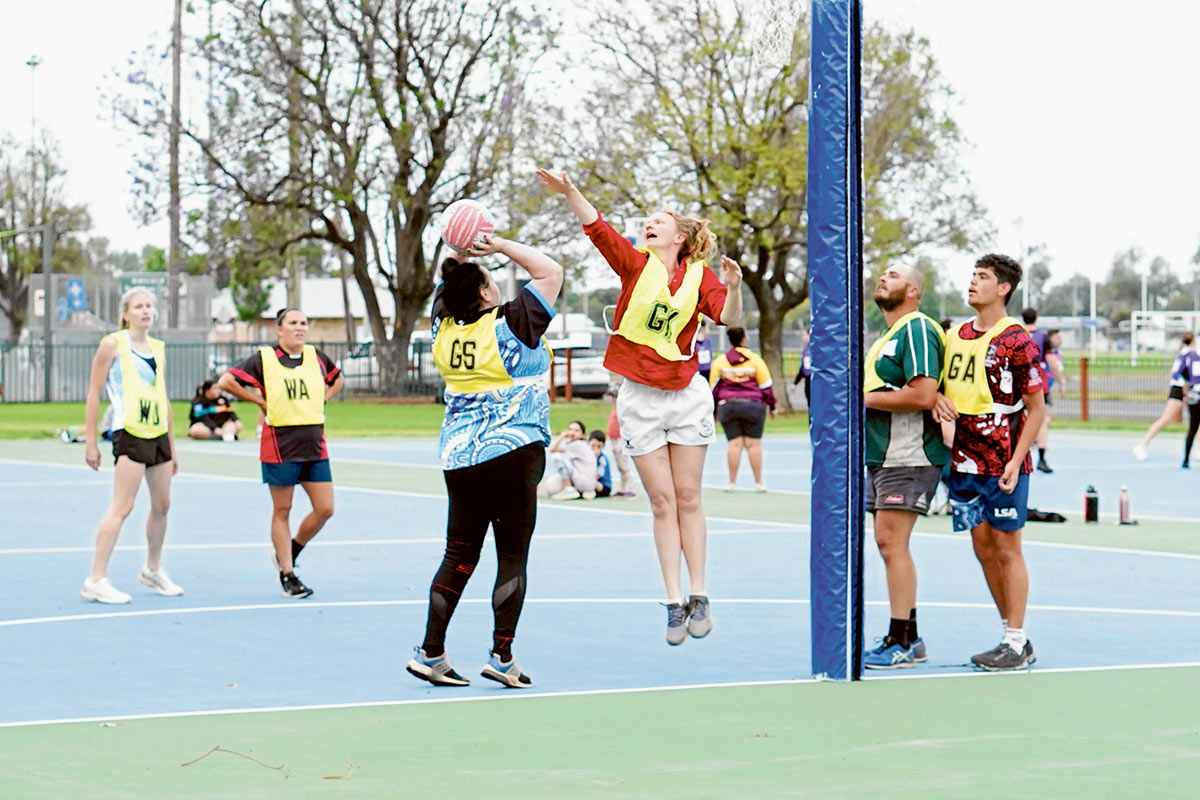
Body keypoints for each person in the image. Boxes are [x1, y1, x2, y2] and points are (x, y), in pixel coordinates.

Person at [537, 168, 743, 646]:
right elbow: (598, 228)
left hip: (686, 395)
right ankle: (673, 601)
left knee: (689, 498)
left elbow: (726, 315)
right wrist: (570, 190)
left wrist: (733, 288)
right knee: (662, 501)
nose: (648, 226)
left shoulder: (701, 277)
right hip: (639, 398)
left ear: (682, 236)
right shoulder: (634, 263)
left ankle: (699, 592)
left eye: (658, 221)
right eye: (646, 221)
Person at [406, 233, 563, 689]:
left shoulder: (443, 326)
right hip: (514, 452)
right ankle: (502, 655)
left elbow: (447, 282)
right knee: (512, 556)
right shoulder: (513, 323)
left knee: (458, 555)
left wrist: (457, 247)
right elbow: (549, 270)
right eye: (491, 281)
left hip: (461, 456)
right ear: (483, 293)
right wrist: (495, 244)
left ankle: (430, 651)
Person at [933, 254, 1044, 671]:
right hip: (962, 459)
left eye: (982, 277)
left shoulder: (1016, 340)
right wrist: (937, 399)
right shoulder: (956, 335)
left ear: (1004, 289)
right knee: (982, 548)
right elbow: (940, 386)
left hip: (1003, 459)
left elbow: (1037, 409)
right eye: (973, 275)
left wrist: (1017, 460)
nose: (972, 283)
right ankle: (1011, 635)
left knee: (1007, 546)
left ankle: (1014, 642)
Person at [218, 308, 343, 599]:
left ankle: (292, 549)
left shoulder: (316, 357)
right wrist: (259, 401)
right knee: (282, 509)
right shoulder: (264, 359)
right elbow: (227, 381)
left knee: (325, 508)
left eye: (303, 323)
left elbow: (337, 379)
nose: (300, 328)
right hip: (280, 442)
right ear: (280, 330)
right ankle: (288, 573)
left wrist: (323, 397)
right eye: (293, 323)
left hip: (314, 442)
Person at [860, 267, 945, 669]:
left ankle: (902, 639)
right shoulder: (886, 337)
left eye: (892, 276)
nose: (882, 279)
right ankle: (908, 636)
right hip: (884, 454)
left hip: (909, 452)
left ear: (912, 291)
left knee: (892, 543)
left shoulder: (916, 328)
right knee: (887, 543)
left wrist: (860, 398)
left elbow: (924, 393)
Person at [80, 288, 182, 604]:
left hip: (158, 434)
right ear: (126, 313)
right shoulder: (113, 345)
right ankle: (95, 580)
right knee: (123, 506)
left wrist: (173, 446)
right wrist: (91, 441)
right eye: (138, 306)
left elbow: (162, 397)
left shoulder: (158, 348)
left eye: (149, 306)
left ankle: (152, 569)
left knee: (162, 505)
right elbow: (94, 393)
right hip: (130, 432)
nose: (145, 311)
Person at [709, 326, 777, 492]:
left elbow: (713, 388)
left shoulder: (720, 361)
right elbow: (766, 386)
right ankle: (758, 483)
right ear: (744, 339)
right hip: (753, 405)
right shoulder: (755, 360)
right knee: (753, 445)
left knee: (734, 444)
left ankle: (732, 483)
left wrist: (714, 411)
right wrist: (772, 406)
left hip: (728, 405)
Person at [1134, 333, 1196, 461]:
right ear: (1193, 340)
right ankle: (1142, 445)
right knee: (1166, 419)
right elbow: (1183, 374)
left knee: (1197, 420)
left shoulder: (1182, 354)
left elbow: (1174, 373)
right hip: (1181, 389)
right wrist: (1185, 393)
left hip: (1183, 388)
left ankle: (1198, 449)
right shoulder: (1190, 355)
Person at [1021, 308, 1053, 473]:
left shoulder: (1018, 334)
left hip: (1019, 380)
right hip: (1037, 381)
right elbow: (1050, 358)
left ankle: (1019, 455)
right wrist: (1060, 379)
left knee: (1020, 418)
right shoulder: (1042, 336)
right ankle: (1041, 458)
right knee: (1041, 417)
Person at [542, 420, 598, 500]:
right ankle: (585, 492)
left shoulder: (576, 444)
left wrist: (561, 436)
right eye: (570, 429)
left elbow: (552, 449)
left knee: (556, 457)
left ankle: (569, 489)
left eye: (576, 430)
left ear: (583, 435)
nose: (572, 432)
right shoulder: (582, 444)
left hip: (583, 482)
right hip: (589, 485)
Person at [605, 389, 636, 497]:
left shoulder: (622, 409)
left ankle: (630, 488)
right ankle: (623, 488)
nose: (613, 399)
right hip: (614, 440)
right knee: (619, 466)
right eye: (612, 397)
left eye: (615, 397)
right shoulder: (616, 409)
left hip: (620, 440)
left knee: (624, 465)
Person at [589, 430, 613, 497]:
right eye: (593, 445)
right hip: (590, 481)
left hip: (603, 486)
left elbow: (597, 475)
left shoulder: (602, 459)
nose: (595, 448)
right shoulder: (586, 456)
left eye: (599, 446)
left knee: (595, 485)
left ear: (603, 446)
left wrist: (594, 459)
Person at [792, 330, 812, 408]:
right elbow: (803, 368)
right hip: (808, 381)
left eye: (804, 335)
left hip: (815, 381)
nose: (803, 337)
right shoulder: (805, 349)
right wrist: (795, 383)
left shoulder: (815, 349)